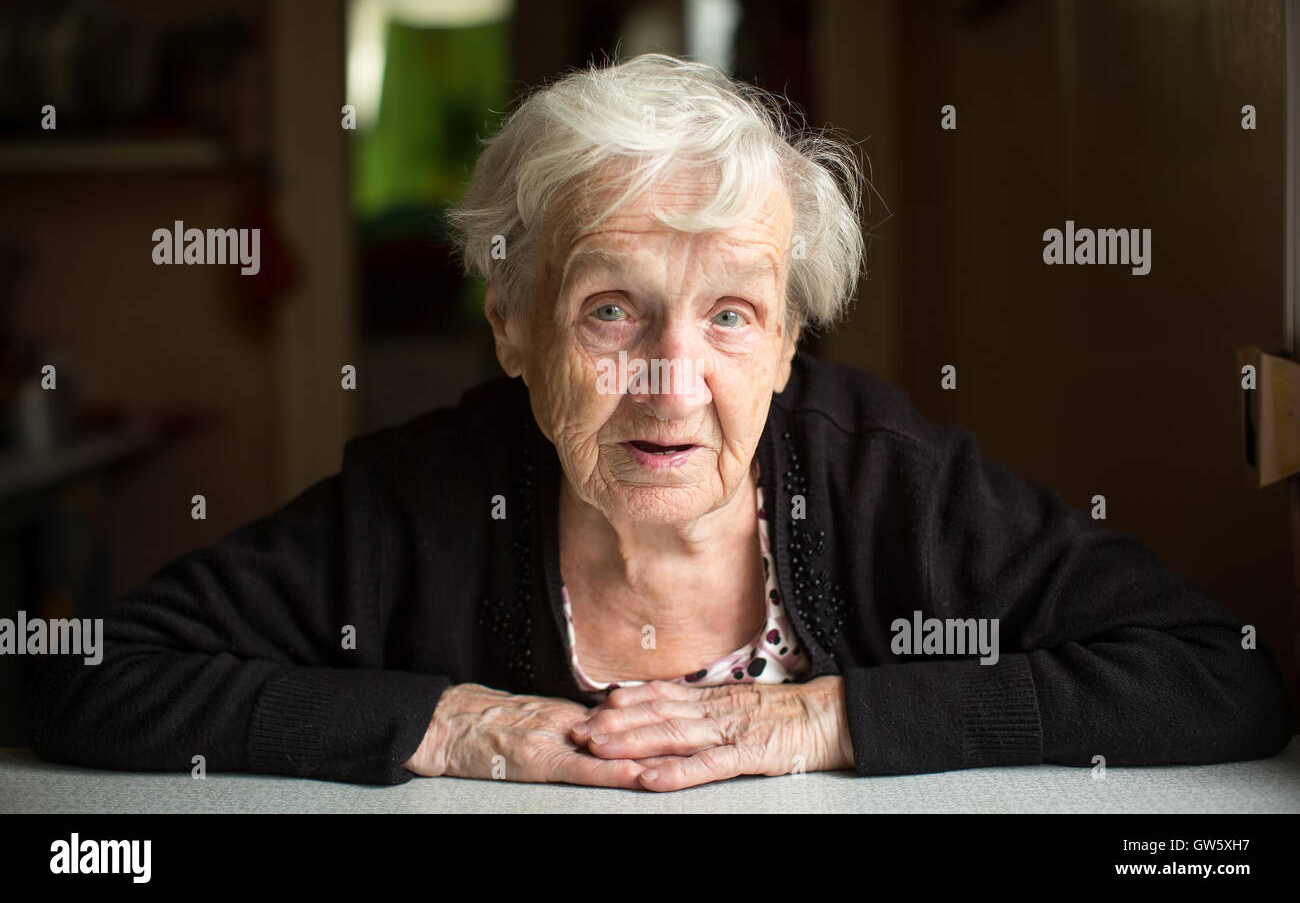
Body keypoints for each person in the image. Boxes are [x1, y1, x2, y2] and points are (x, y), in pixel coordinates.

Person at [28, 53, 1293, 791]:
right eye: (610, 311)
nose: (671, 381)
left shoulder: (887, 479)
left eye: (733, 315)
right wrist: (456, 723)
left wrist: (826, 714)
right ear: (512, 322)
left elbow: (1216, 673)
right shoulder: (421, 499)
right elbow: (78, 676)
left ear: (792, 340)